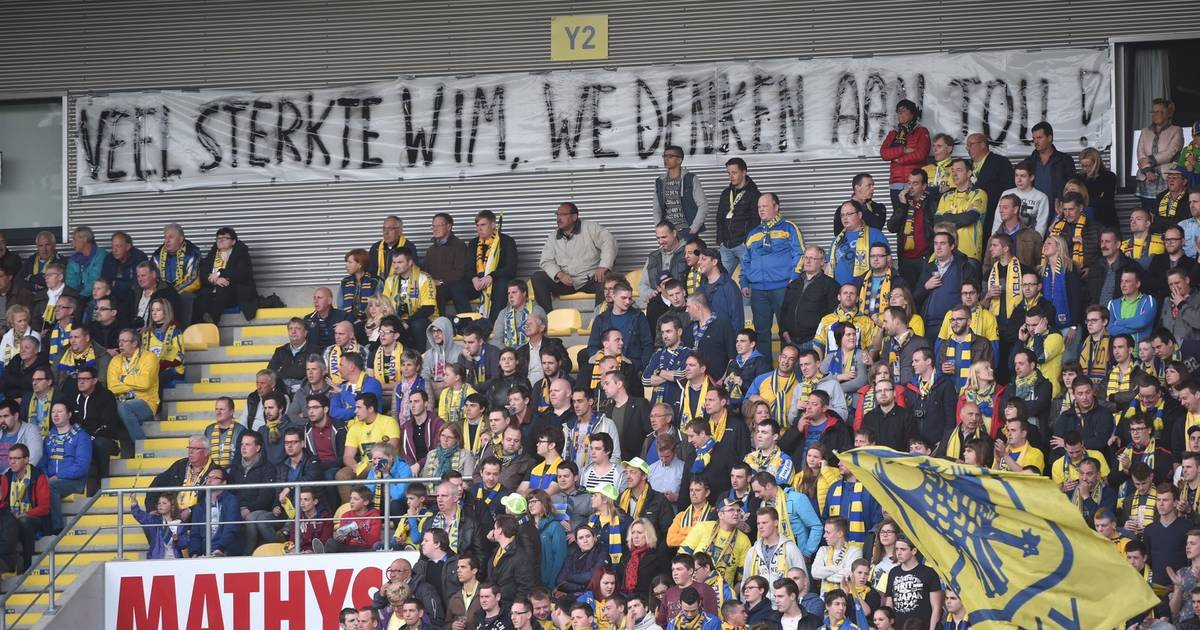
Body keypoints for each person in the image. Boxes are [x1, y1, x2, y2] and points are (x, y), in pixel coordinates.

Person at [742, 193, 804, 358]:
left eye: (765, 206)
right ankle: (765, 374)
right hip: (758, 290)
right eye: (759, 207)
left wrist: (794, 277)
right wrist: (744, 281)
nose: (761, 210)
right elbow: (746, 260)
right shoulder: (753, 233)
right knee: (761, 333)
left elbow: (800, 254)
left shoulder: (788, 227)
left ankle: (789, 371)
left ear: (776, 207)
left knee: (787, 331)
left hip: (783, 287)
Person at [532, 203, 617, 312]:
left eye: (562, 214)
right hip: (566, 283)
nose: (558, 218)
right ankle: (547, 319)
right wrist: (560, 275)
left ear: (574, 217)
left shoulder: (590, 228)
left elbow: (609, 241)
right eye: (557, 214)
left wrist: (603, 266)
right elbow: (546, 261)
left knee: (607, 278)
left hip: (590, 279)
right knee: (538, 277)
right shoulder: (553, 237)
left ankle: (600, 318)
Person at [914, 232, 979, 339]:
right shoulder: (928, 267)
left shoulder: (964, 267)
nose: (938, 247)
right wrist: (926, 287)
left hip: (955, 324)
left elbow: (973, 295)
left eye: (943, 243)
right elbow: (915, 297)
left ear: (952, 246)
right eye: (936, 244)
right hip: (931, 325)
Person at [0, 444, 50, 571]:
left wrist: (24, 514)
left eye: (16, 458)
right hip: (12, 517)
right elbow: (4, 502)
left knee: (23, 522)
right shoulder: (7, 476)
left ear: (26, 459)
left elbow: (44, 508)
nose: (12, 462)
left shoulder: (38, 476)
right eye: (10, 458)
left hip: (35, 519)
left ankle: (28, 565)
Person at [227, 430, 279, 552]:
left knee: (251, 518)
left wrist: (248, 509)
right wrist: (237, 509)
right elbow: (230, 493)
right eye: (242, 444)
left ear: (258, 448)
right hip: (238, 508)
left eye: (248, 444)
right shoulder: (235, 468)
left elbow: (266, 496)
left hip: (259, 510)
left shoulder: (268, 468)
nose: (243, 448)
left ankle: (248, 554)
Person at [193, 226, 257, 325]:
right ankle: (198, 326)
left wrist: (219, 274)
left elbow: (241, 274)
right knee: (201, 295)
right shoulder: (213, 253)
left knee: (222, 287)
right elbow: (203, 272)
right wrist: (214, 280)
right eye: (218, 238)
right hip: (213, 289)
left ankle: (212, 321)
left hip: (233, 292)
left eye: (225, 238)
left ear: (233, 241)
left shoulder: (240, 252)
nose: (221, 240)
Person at [108, 328, 159, 448]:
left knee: (123, 408)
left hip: (145, 402)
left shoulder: (149, 358)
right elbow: (112, 387)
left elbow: (145, 383)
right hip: (120, 401)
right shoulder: (115, 361)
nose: (120, 344)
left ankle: (141, 445)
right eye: (119, 341)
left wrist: (123, 378)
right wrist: (134, 384)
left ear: (135, 343)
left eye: (125, 341)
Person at [781, 246, 839, 351]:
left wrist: (820, 339)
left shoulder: (831, 285)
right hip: (789, 342)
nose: (807, 261)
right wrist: (784, 332)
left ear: (822, 262)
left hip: (814, 342)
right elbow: (784, 310)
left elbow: (833, 315)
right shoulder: (794, 284)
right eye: (805, 257)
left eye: (812, 258)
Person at [889, 169, 937, 288]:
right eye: (909, 183)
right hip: (905, 260)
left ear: (924, 186)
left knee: (924, 294)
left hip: (925, 258)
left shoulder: (932, 202)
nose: (911, 187)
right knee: (908, 296)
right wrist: (902, 206)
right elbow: (891, 227)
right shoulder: (904, 203)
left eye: (915, 183)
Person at [383, 250, 439, 352]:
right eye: (394, 262)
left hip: (423, 320)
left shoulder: (424, 278)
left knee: (417, 324)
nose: (395, 266)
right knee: (387, 324)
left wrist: (407, 322)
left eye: (400, 262)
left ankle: (420, 357)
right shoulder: (390, 281)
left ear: (410, 263)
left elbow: (428, 309)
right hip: (399, 320)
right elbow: (384, 306)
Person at [879, 100, 930, 211]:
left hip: (915, 183)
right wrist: (904, 150)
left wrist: (899, 160)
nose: (900, 114)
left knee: (916, 215)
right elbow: (884, 153)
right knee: (899, 218)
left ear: (912, 113)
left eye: (903, 111)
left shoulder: (921, 131)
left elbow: (921, 154)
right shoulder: (894, 133)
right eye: (898, 112)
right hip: (896, 183)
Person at [1135, 99, 1185, 212]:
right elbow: (1140, 154)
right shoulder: (1145, 131)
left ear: (1168, 113)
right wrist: (1147, 171)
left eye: (1158, 111)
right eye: (1153, 112)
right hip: (1146, 178)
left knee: (1165, 211)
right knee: (1147, 212)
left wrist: (1150, 159)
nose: (1155, 114)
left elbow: (1170, 152)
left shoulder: (1176, 130)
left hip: (1166, 177)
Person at [883, 536, 942, 630]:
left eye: (903, 549)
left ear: (914, 551)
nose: (899, 552)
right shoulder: (893, 572)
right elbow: (889, 605)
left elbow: (936, 607)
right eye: (897, 549)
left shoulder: (929, 572)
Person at [935, 159, 987, 262]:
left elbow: (968, 218)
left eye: (958, 170)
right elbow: (937, 222)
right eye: (952, 171)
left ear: (969, 173)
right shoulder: (945, 196)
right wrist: (961, 216)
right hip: (946, 255)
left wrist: (947, 218)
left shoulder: (978, 193)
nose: (954, 174)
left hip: (969, 255)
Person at [827, 201, 888, 288]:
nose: (845, 218)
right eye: (842, 215)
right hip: (840, 292)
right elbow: (829, 266)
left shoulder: (875, 234)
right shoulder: (837, 240)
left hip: (867, 289)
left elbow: (887, 262)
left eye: (849, 214)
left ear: (859, 215)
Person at [715, 158, 760, 274]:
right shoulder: (726, 193)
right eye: (729, 173)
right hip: (726, 245)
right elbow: (719, 218)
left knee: (749, 277)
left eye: (734, 173)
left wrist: (747, 241)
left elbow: (756, 221)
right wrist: (720, 240)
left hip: (743, 245)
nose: (731, 176)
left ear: (744, 172)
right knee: (721, 279)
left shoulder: (754, 194)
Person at [654, 145, 708, 240]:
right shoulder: (660, 181)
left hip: (686, 231)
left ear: (679, 160)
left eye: (670, 156)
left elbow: (703, 205)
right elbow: (656, 208)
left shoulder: (690, 178)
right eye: (664, 156)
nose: (666, 159)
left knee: (689, 255)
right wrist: (660, 229)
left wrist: (693, 228)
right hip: (668, 232)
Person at [152, 223, 202, 325]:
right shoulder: (157, 255)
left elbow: (193, 280)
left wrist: (173, 292)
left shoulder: (191, 253)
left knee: (187, 298)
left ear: (180, 239)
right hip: (163, 291)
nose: (167, 241)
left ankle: (182, 331)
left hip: (183, 291)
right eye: (165, 237)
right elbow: (154, 279)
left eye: (171, 237)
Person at [1144, 484, 1191, 591]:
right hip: (1157, 588)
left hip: (1183, 587)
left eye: (1165, 500)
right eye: (1158, 499)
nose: (1160, 504)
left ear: (1175, 503)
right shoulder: (1149, 530)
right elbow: (1148, 560)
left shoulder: (1187, 528)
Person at [188, 466, 243, 557]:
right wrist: (195, 552)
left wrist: (221, 548)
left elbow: (231, 528)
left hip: (226, 552)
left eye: (215, 478)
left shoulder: (231, 501)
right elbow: (195, 534)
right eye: (208, 478)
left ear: (224, 483)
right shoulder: (200, 506)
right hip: (204, 554)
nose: (209, 481)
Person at [424, 212, 470, 315]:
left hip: (451, 286)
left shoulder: (459, 245)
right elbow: (425, 271)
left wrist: (440, 282)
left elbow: (459, 272)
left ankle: (461, 325)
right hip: (433, 286)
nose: (435, 229)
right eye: (433, 226)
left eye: (439, 226)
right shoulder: (431, 249)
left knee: (441, 291)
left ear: (449, 227)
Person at [1028, 122, 1076, 212]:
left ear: (1049, 138)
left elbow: (1073, 186)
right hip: (1035, 212)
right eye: (1034, 138)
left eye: (1039, 138)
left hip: (1058, 211)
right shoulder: (1029, 161)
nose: (1035, 142)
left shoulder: (1065, 160)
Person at [324, 484, 382, 553]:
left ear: (366, 502)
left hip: (366, 550)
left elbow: (373, 542)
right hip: (349, 548)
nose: (351, 502)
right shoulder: (346, 515)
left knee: (377, 546)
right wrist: (341, 538)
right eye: (351, 498)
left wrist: (358, 527)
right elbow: (344, 540)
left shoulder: (374, 516)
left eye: (356, 499)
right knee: (331, 542)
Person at [1108, 267, 1157, 343]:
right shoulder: (1113, 304)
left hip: (1142, 352)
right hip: (1121, 352)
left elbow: (1142, 322)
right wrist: (1137, 327)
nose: (1123, 285)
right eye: (1121, 281)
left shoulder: (1149, 300)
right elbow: (1110, 329)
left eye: (1127, 281)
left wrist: (1118, 322)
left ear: (1137, 284)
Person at [367, 215, 420, 279]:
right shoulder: (375, 248)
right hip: (379, 286)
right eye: (384, 228)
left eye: (390, 229)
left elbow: (413, 271)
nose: (386, 232)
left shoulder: (408, 247)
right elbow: (370, 272)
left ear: (400, 231)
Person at [305, 287, 352, 351]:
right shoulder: (308, 319)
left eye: (319, 298)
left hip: (337, 356)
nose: (316, 301)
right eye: (314, 298)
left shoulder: (343, 317)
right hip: (315, 357)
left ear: (329, 301)